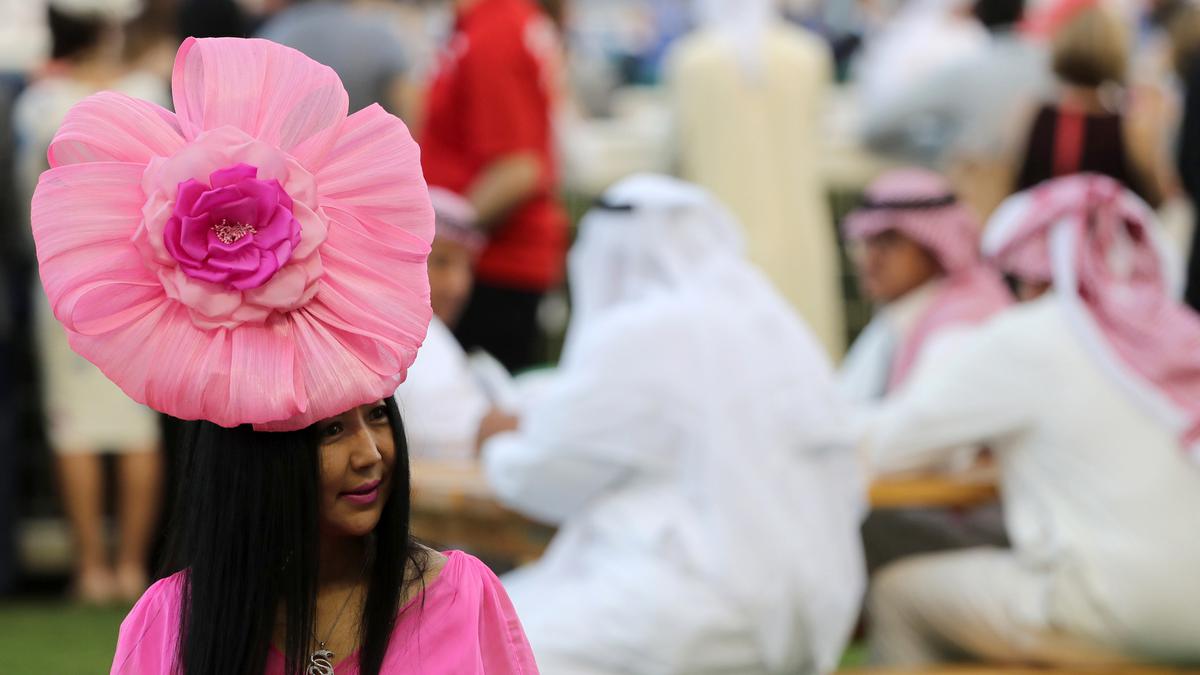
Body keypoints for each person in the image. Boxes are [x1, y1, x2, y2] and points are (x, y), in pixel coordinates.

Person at [28, 36, 537, 674]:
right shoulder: (169, 623)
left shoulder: (461, 597)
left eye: (378, 415)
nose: (370, 452)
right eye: (329, 430)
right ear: (253, 454)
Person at [484, 175, 866, 674]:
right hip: (812, 610)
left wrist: (497, 447)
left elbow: (545, 477)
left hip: (696, 601)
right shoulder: (772, 321)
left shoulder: (637, 331)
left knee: (478, 643)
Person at [864, 174, 1200, 666]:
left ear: (1032, 268)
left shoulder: (1034, 333)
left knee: (898, 595)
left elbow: (887, 446)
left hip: (1116, 612)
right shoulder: (1180, 333)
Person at [15, 0, 166, 604]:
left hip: (65, 276)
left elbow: (25, 199)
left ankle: (93, 567)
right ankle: (130, 565)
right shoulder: (147, 93)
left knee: (72, 425)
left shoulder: (41, 105)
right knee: (138, 422)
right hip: (145, 277)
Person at [667, 0, 846, 357]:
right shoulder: (807, 55)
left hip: (718, 232)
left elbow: (674, 152)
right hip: (795, 228)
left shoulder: (691, 60)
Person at [420, 0, 568, 373]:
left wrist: (437, 243)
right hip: (487, 264)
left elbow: (517, 168)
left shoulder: (496, 30)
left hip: (493, 269)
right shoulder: (487, 23)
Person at [840, 168, 1011, 401]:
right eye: (866, 242)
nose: (870, 259)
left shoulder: (965, 320)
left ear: (932, 248)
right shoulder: (895, 319)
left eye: (888, 242)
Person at [396, 187, 519, 460]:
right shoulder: (412, 336)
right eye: (441, 263)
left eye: (468, 268)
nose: (458, 287)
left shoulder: (458, 350)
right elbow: (474, 432)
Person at [1014, 0, 1170, 207]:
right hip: (1108, 235)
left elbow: (1014, 184)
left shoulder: (1033, 115)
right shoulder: (1129, 127)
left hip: (1044, 233)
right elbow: (1157, 197)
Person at [257, 0, 412, 117]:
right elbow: (406, 107)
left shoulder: (271, 36)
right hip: (366, 155)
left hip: (285, 155)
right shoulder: (378, 37)